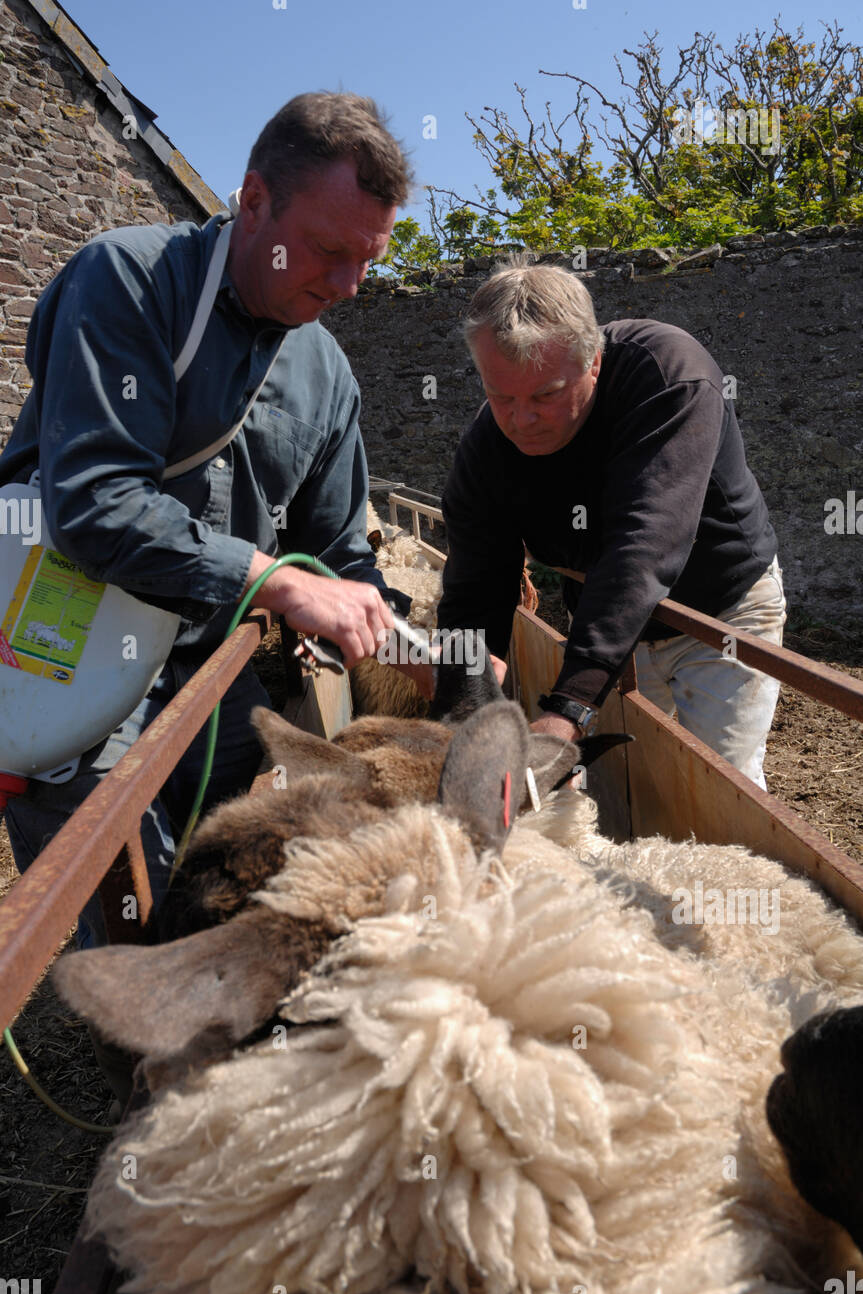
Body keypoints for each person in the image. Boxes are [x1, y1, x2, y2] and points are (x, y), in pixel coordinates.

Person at [0, 92, 414, 951]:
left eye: (366, 259)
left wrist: (407, 643)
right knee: (128, 938)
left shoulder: (328, 374)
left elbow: (335, 551)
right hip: (70, 654)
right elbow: (93, 502)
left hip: (210, 668)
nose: (347, 287)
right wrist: (268, 578)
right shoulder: (128, 281)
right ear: (254, 201)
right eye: (329, 251)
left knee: (231, 885)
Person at [436, 259, 786, 789]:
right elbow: (474, 590)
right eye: (499, 395)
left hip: (719, 617)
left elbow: (643, 542)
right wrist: (462, 718)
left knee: (723, 792)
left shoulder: (667, 374)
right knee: (633, 793)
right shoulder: (488, 446)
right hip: (614, 626)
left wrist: (567, 711)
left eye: (546, 394)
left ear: (594, 361)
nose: (520, 420)